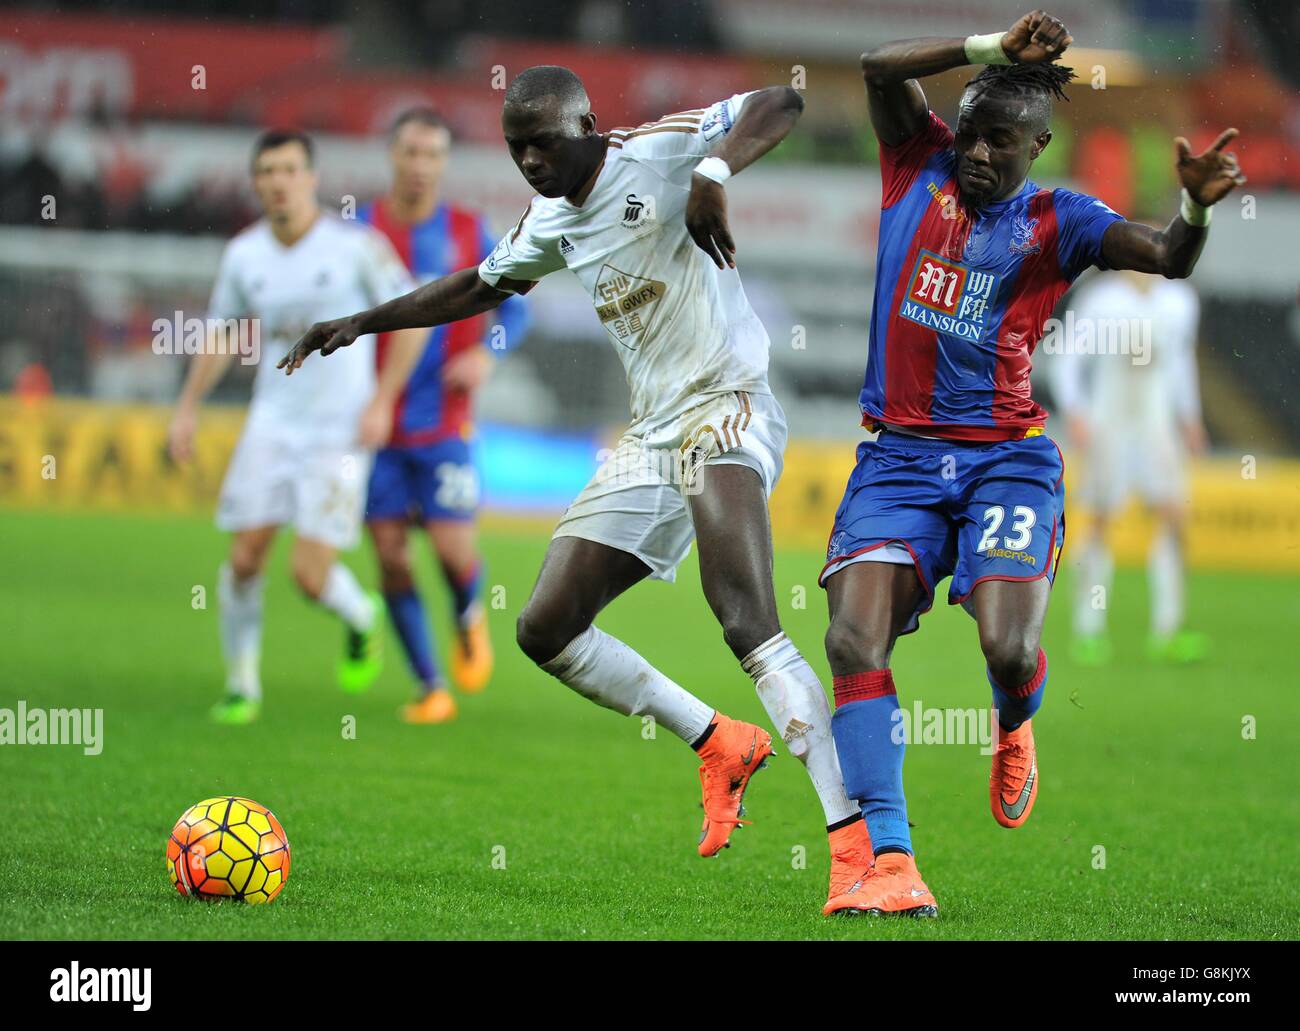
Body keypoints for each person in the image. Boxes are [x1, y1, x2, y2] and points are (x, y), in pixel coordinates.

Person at [279, 66, 873, 911]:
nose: (528, 160)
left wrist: (713, 174)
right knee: (544, 626)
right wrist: (361, 322)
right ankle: (717, 739)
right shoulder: (550, 219)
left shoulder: (662, 153)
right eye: (516, 147)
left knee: (744, 613)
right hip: (652, 437)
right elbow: (481, 286)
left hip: (724, 408)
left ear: (587, 124)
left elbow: (785, 100)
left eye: (543, 143)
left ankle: (853, 844)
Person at [819, 11, 1245, 915]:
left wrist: (1198, 205)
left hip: (1005, 462)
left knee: (1008, 649)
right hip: (898, 457)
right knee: (854, 638)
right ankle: (890, 859)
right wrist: (984, 51)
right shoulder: (914, 164)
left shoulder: (1062, 220)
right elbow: (873, 63)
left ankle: (1015, 720)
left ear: (1038, 144)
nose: (975, 152)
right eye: (969, 131)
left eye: (998, 141)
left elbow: (1169, 256)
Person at [168, 130, 427, 724]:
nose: (277, 181)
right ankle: (241, 687)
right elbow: (224, 333)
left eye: (288, 169)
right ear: (255, 182)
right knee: (244, 558)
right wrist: (187, 408)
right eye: (266, 171)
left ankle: (362, 616)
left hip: (340, 431)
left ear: (311, 178)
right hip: (272, 421)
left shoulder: (358, 247)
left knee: (309, 576)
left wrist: (383, 399)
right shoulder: (244, 255)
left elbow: (414, 319)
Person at [359, 108, 530, 723]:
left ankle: (468, 617)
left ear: (444, 162)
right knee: (391, 554)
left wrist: (487, 354)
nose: (420, 165)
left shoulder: (466, 231)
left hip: (446, 424)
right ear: (392, 156)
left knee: (454, 551)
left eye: (433, 154)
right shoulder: (362, 231)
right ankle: (430, 685)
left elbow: (517, 302)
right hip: (374, 426)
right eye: (411, 152)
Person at [1052, 267, 1209, 665]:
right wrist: (1076, 413)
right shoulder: (1101, 299)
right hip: (1112, 422)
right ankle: (1088, 630)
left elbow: (1179, 363)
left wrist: (1190, 418)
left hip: (1157, 424)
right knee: (1101, 520)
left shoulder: (1179, 300)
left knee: (1174, 519)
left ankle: (1168, 629)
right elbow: (1067, 359)